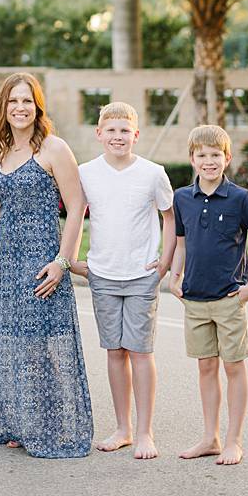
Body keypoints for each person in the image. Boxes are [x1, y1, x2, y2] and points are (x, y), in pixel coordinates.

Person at [0, 72, 92, 458]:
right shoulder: (2, 150)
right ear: (2, 108)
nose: (20, 108)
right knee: (15, 340)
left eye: (27, 101)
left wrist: (63, 261)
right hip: (9, 261)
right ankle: (20, 423)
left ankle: (55, 429)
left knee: (47, 342)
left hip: (44, 258)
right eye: (13, 102)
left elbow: (77, 207)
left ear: (37, 106)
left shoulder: (54, 148)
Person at [169, 125, 248, 466]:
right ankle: (210, 437)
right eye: (202, 155)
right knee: (205, 367)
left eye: (215, 155)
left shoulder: (241, 198)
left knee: (233, 367)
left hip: (230, 298)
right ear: (192, 159)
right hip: (195, 299)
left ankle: (234, 440)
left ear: (227, 158)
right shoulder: (183, 197)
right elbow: (182, 243)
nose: (209, 161)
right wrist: (174, 275)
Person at [74, 100, 175, 457]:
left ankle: (145, 432)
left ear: (136, 134)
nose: (118, 137)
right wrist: (70, 259)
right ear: (99, 134)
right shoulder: (86, 172)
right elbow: (76, 215)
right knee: (115, 351)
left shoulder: (152, 173)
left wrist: (164, 261)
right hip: (102, 273)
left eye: (124, 131)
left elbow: (170, 216)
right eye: (111, 130)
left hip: (140, 275)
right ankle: (123, 428)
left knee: (140, 351)